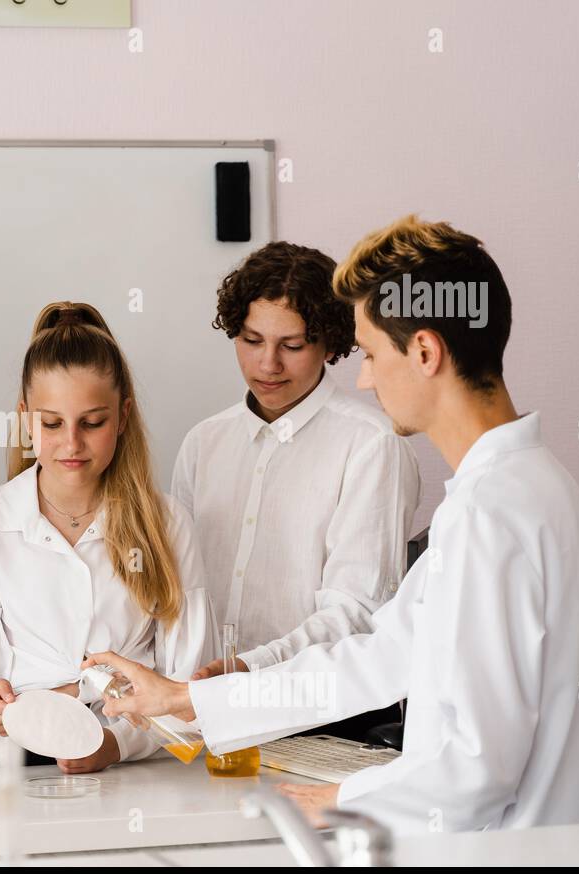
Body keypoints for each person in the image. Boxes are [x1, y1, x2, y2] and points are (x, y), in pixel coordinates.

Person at [86, 216, 579, 833]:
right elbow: (378, 656)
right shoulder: (523, 486)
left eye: (368, 353)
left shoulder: (493, 514)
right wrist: (184, 698)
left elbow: (472, 769)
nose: (362, 377)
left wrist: (340, 798)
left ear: (424, 352)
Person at [0, 302, 216, 773]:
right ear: (25, 418)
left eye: (93, 422)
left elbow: (192, 699)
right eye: (51, 423)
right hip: (16, 769)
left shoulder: (168, 525)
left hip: (138, 771)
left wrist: (111, 744)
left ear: (123, 416)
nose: (72, 443)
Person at [173, 241, 420, 740]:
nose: (268, 365)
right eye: (250, 339)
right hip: (207, 716)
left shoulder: (371, 445)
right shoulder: (203, 443)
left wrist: (251, 670)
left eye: (291, 346)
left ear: (331, 344)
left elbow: (357, 613)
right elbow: (176, 591)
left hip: (324, 721)